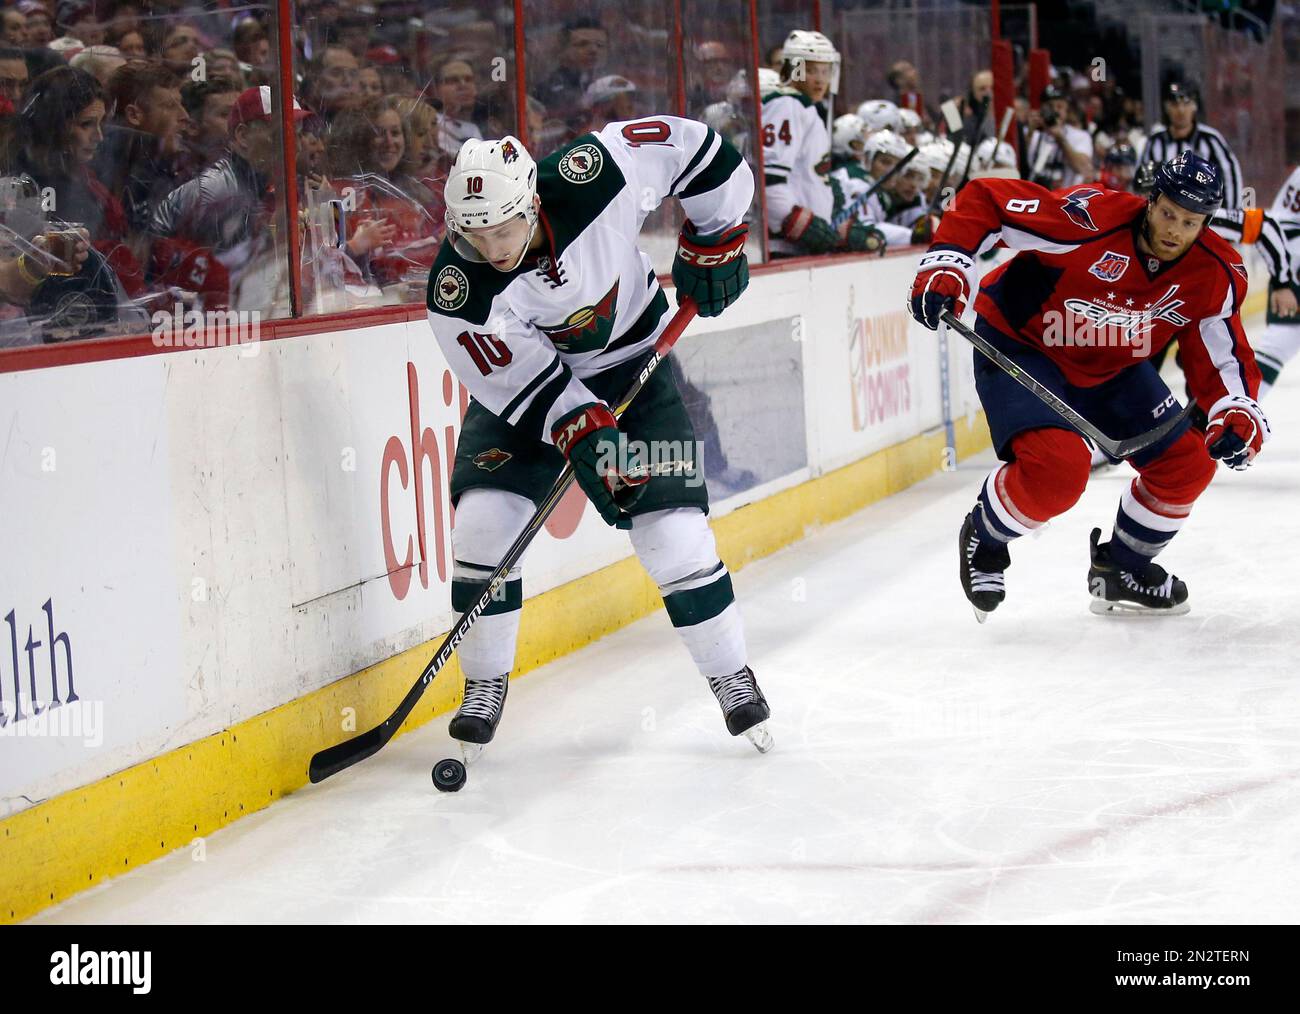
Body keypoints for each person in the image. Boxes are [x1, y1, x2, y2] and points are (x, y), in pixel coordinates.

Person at [426, 116, 771, 758]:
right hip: (531, 398)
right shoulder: (459, 291)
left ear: (532, 201)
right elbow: (520, 381)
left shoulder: (594, 174)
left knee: (673, 533)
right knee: (483, 522)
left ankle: (730, 673)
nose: (494, 248)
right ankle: (483, 685)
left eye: (504, 229)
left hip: (635, 365)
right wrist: (581, 428)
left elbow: (699, 150)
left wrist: (716, 235)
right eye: (475, 236)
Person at [908, 152, 1267, 619]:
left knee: (1189, 463)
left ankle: (1121, 569)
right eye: (1168, 213)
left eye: (1191, 221)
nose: (1175, 230)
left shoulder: (1214, 273)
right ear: (1151, 201)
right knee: (1059, 471)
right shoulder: (1090, 217)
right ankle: (986, 535)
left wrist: (1235, 410)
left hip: (1112, 365)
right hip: (1027, 346)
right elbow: (989, 201)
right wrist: (950, 260)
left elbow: (1220, 355)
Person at [763, 30, 871, 257]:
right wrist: (795, 222)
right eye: (810, 70)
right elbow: (768, 179)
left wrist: (833, 222)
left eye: (825, 70)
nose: (820, 79)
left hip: (800, 246)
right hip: (784, 246)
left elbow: (807, 179)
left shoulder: (807, 109)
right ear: (793, 69)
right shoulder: (788, 105)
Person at [1139, 81, 1243, 210]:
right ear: (1166, 108)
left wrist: (1229, 214)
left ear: (1195, 106)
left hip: (1205, 217)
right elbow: (1142, 182)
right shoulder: (1155, 142)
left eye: (1186, 103)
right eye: (1175, 104)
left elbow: (1230, 174)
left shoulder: (1211, 140)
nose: (1181, 110)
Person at [1026, 84, 1094, 188]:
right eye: (1050, 106)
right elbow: (1019, 165)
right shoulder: (1033, 134)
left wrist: (1060, 138)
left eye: (1059, 106)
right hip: (1035, 194)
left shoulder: (1080, 136)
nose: (1055, 111)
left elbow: (1082, 168)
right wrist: (1029, 133)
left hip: (1065, 198)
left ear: (1067, 111)